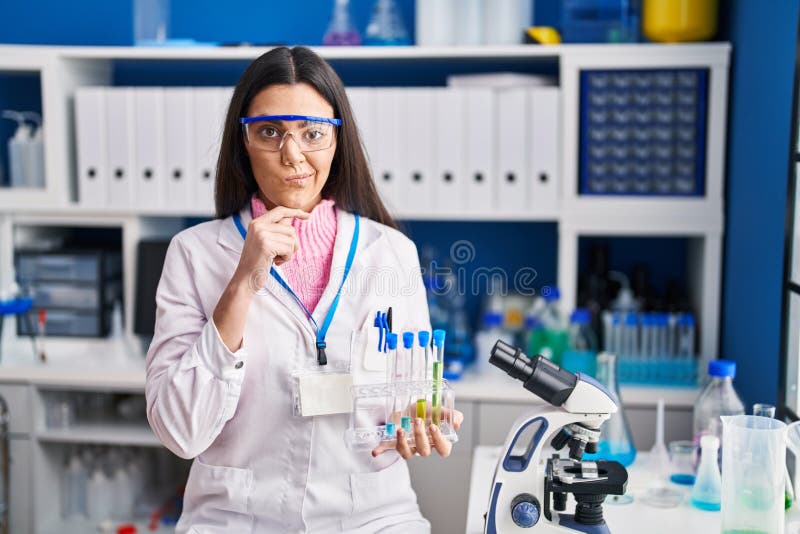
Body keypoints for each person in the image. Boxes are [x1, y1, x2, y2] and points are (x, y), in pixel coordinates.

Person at [145, 46, 463, 533]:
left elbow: (412, 394)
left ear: (337, 142)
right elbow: (178, 431)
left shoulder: (390, 252)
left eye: (313, 133)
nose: (293, 156)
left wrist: (424, 421)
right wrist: (242, 285)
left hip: (372, 517)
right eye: (270, 132)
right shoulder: (195, 254)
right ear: (243, 142)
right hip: (237, 518)